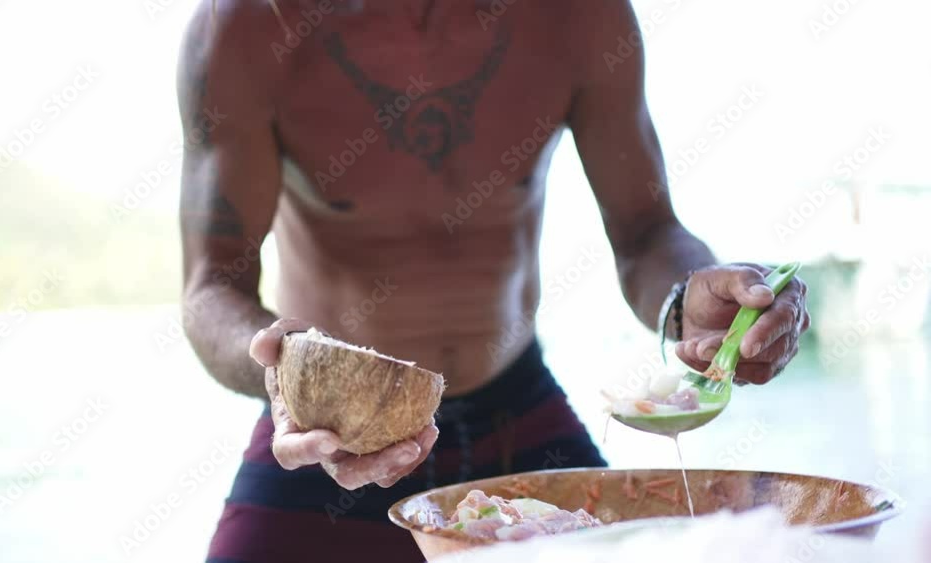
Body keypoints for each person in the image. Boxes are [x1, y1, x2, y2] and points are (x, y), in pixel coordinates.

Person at [177, 0, 811, 561]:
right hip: (324, 439)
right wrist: (277, 371)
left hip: (518, 414)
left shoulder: (579, 15)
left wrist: (691, 298)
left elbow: (646, 232)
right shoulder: (247, 27)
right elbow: (212, 286)